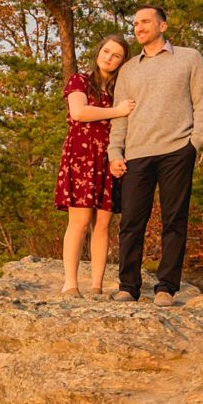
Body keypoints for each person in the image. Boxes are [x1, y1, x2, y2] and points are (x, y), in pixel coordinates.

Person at [107, 5, 203, 306]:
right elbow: (121, 116)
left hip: (177, 149)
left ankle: (166, 287)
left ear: (162, 26)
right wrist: (115, 151)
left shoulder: (189, 57)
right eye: (136, 23)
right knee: (131, 222)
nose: (139, 28)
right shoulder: (129, 69)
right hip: (137, 153)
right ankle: (128, 286)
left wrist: (196, 142)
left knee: (174, 220)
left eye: (145, 22)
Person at [56, 34, 135, 296]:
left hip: (109, 158)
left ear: (123, 61)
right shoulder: (80, 80)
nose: (109, 58)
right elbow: (79, 112)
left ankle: (97, 285)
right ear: (98, 52)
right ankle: (70, 284)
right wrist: (118, 111)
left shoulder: (121, 89)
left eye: (117, 55)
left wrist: (120, 155)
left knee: (102, 224)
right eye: (106, 52)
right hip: (81, 156)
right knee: (78, 222)